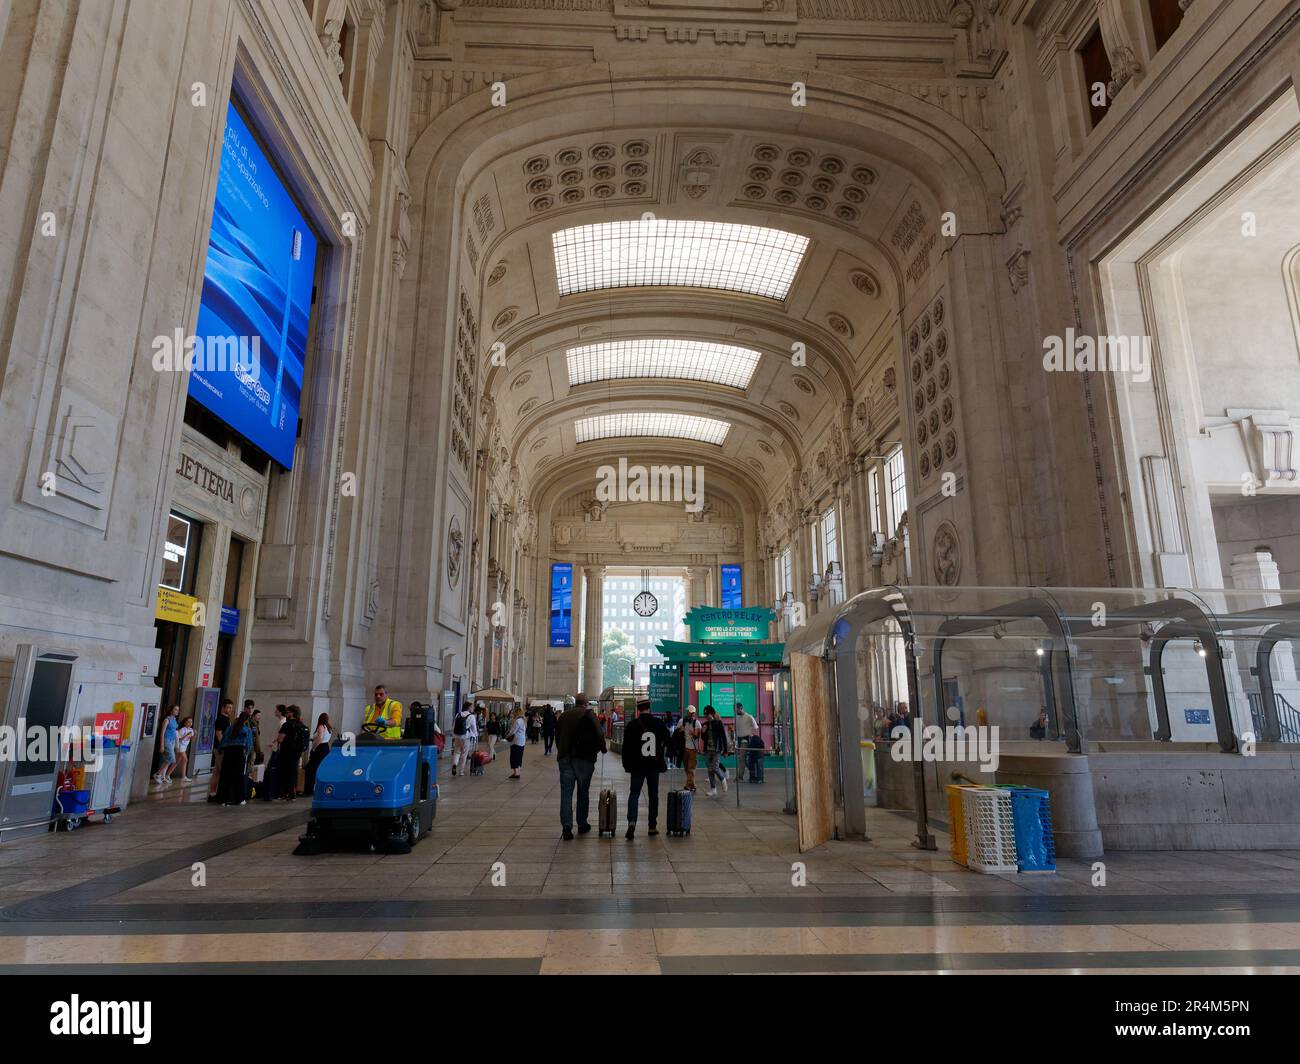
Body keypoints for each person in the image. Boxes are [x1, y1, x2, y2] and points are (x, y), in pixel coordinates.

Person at [556, 693, 606, 840]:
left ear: (575, 703)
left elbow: (557, 736)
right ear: (586, 703)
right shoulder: (590, 715)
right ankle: (582, 823)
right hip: (584, 760)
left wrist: (562, 751)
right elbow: (599, 734)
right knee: (583, 792)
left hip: (565, 759)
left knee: (566, 794)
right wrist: (601, 749)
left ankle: (566, 826)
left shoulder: (564, 716)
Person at [622, 699, 669, 840]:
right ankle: (652, 826)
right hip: (653, 766)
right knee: (653, 795)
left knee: (634, 793)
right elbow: (668, 740)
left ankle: (631, 822)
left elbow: (626, 748)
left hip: (637, 766)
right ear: (649, 708)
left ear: (638, 709)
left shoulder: (632, 725)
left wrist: (627, 765)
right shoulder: (658, 723)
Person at [217, 711, 253, 805]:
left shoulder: (230, 728)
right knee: (239, 776)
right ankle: (239, 798)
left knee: (226, 775)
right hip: (239, 753)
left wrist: (220, 750)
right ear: (247, 720)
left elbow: (224, 740)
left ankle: (223, 799)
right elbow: (249, 744)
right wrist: (247, 753)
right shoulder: (246, 730)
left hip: (229, 752)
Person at [207, 699, 235, 802]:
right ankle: (213, 793)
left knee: (217, 772)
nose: (230, 709)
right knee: (219, 772)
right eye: (228, 707)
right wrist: (224, 746)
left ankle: (214, 792)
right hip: (220, 749)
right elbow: (219, 734)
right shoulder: (221, 719)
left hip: (223, 748)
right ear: (223, 708)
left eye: (231, 708)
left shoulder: (227, 719)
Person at [701, 705, 730, 797]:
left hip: (717, 749)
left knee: (715, 768)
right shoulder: (704, 724)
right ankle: (713, 789)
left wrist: (725, 750)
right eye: (705, 714)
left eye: (707, 714)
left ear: (712, 713)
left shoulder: (718, 723)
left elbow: (723, 738)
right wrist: (703, 732)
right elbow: (703, 738)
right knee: (709, 770)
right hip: (707, 750)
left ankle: (722, 779)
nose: (706, 716)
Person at [303, 712, 333, 796]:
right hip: (326, 747)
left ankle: (308, 790)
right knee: (319, 768)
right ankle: (315, 788)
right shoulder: (329, 728)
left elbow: (319, 739)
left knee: (310, 769)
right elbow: (323, 738)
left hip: (320, 748)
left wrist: (313, 748)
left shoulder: (321, 726)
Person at [451, 701, 478, 776]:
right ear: (469, 707)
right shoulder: (471, 716)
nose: (473, 708)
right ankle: (461, 771)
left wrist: (454, 736)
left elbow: (453, 726)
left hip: (457, 736)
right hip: (466, 737)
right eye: (472, 706)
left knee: (457, 752)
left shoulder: (458, 714)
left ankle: (454, 764)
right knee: (464, 754)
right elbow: (474, 729)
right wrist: (476, 736)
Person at [155, 705, 179, 785]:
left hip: (172, 741)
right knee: (172, 758)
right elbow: (162, 733)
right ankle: (158, 774)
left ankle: (163, 776)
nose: (177, 711)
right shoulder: (167, 720)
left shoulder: (174, 720)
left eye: (177, 710)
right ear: (171, 710)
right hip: (166, 740)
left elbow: (175, 731)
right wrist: (161, 745)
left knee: (167, 759)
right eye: (175, 709)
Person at [734, 705, 758, 782]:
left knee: (742, 758)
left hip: (746, 740)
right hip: (739, 740)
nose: (735, 712)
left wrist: (751, 737)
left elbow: (755, 728)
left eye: (736, 710)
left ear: (740, 708)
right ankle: (752, 773)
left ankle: (740, 776)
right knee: (743, 759)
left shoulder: (749, 717)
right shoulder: (737, 718)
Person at [681, 706, 701, 793]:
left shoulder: (697, 723)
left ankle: (688, 785)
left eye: (688, 712)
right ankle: (692, 785)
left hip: (693, 749)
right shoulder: (685, 722)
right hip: (686, 748)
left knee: (691, 768)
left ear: (692, 713)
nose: (687, 713)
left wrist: (692, 731)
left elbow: (697, 735)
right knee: (686, 768)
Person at [506, 706, 527, 779]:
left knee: (514, 757)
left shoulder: (517, 721)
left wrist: (507, 735)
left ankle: (516, 773)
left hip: (516, 741)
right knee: (519, 756)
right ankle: (518, 772)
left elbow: (513, 731)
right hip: (522, 741)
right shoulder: (524, 720)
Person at [175, 716, 195, 781]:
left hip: (184, 747)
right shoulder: (182, 729)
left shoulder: (191, 730)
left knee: (177, 761)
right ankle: (183, 776)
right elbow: (179, 739)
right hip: (180, 746)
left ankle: (167, 774)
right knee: (185, 760)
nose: (190, 723)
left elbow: (192, 739)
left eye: (191, 722)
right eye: (188, 722)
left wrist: (195, 735)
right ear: (185, 723)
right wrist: (186, 735)